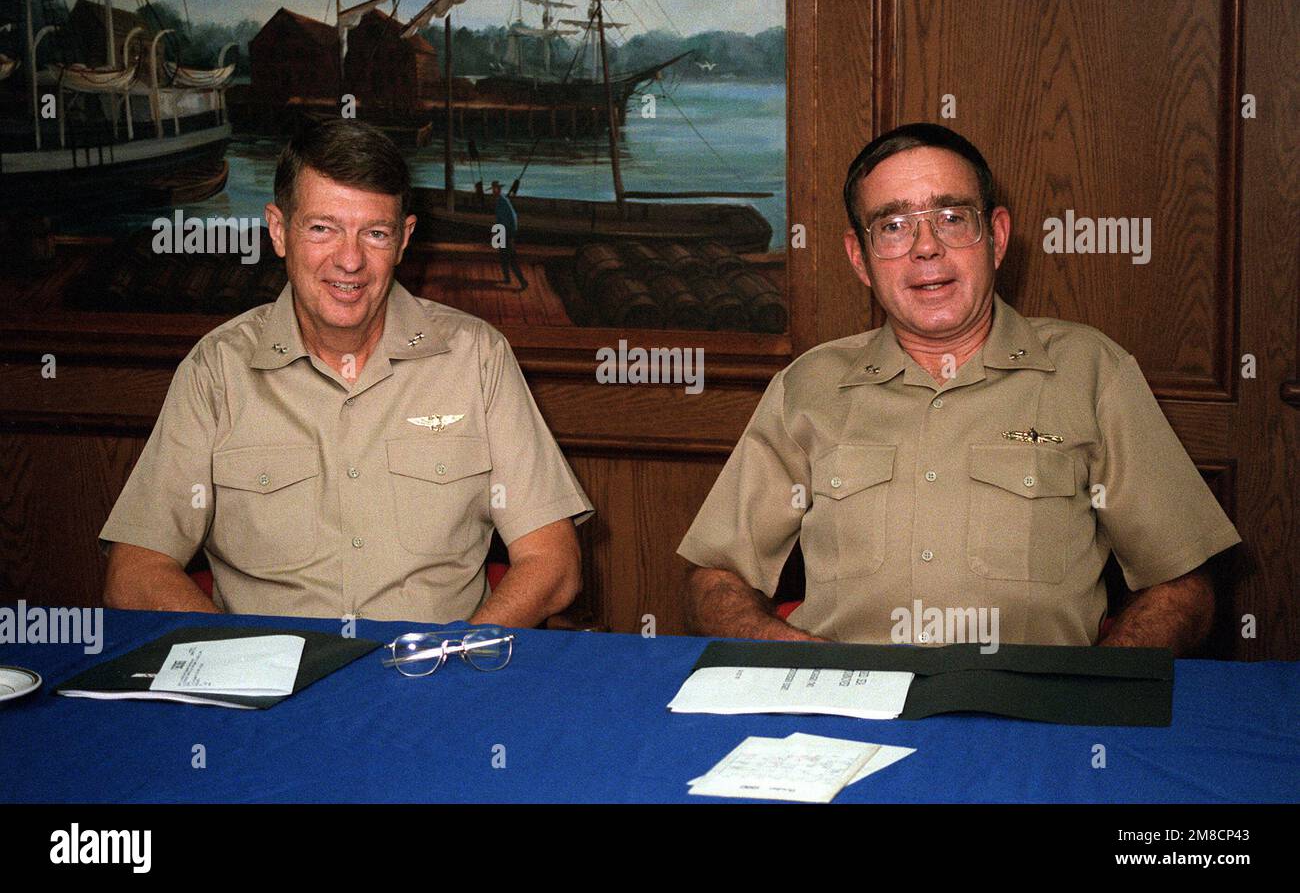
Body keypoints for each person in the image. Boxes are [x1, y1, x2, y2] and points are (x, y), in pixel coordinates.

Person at [678, 123, 1239, 654]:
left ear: (995, 236)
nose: (926, 248)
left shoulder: (1091, 372)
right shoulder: (807, 386)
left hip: (1032, 718)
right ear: (860, 259)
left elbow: (1182, 583)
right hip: (845, 711)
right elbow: (716, 574)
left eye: (950, 217)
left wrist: (1096, 689)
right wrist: (782, 653)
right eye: (893, 226)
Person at [101, 120, 591, 626]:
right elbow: (135, 570)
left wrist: (461, 656)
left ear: (403, 240)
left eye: (375, 234)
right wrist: (243, 662)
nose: (350, 260)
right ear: (278, 231)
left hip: (436, 676)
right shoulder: (216, 371)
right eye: (323, 229)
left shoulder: (477, 358)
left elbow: (553, 562)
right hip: (273, 692)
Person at [492, 180, 527, 290]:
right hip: (501, 232)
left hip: (507, 233)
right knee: (503, 256)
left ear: (499, 189)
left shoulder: (504, 201)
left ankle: (523, 282)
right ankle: (507, 278)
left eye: (496, 188)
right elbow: (499, 219)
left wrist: (511, 233)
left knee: (511, 259)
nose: (494, 191)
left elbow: (513, 217)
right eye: (493, 189)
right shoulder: (499, 201)